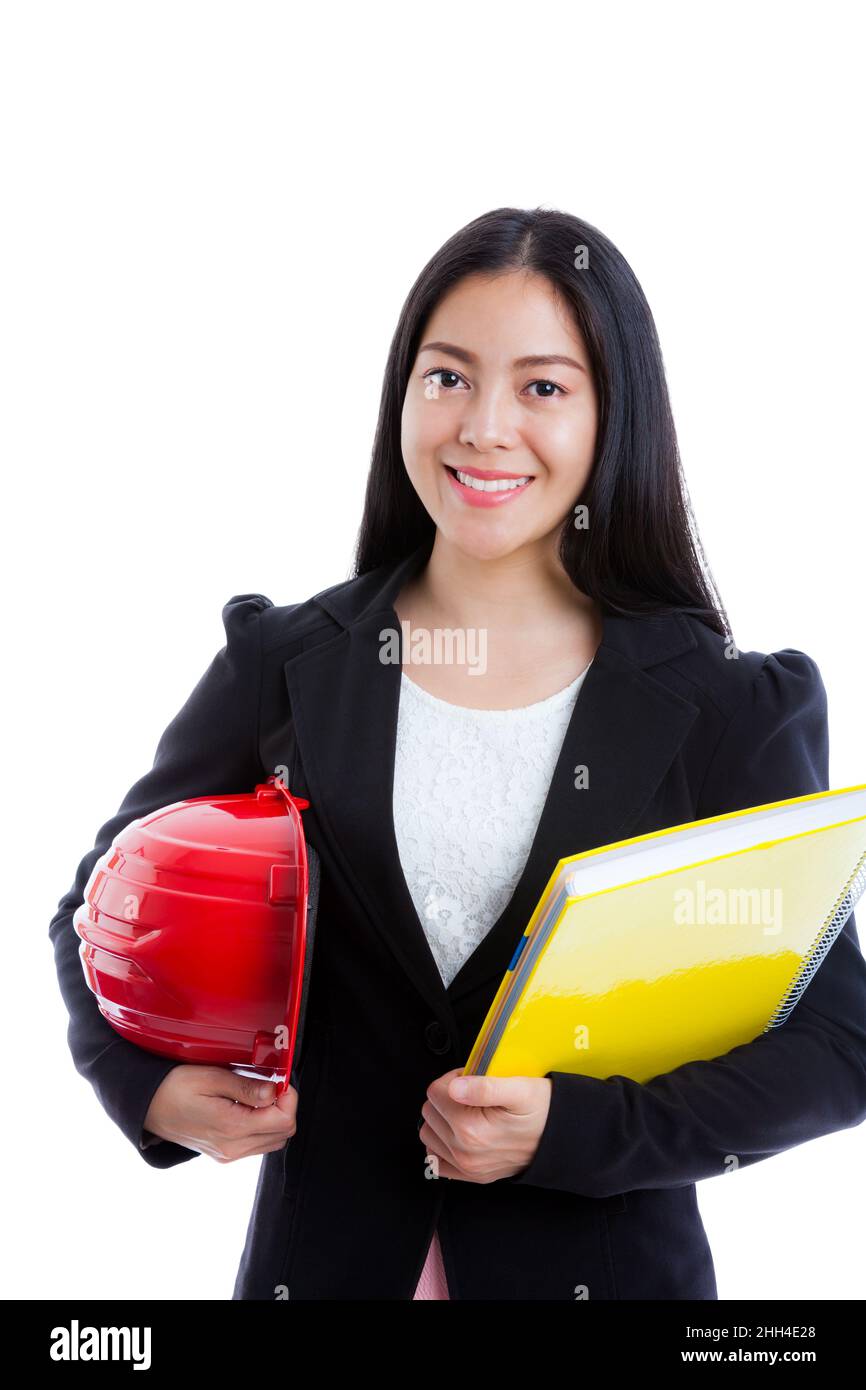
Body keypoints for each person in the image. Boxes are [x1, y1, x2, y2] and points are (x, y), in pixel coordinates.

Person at [49, 206, 866, 1300]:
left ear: (610, 414)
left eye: (540, 386)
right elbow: (102, 908)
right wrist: (146, 1084)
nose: (482, 426)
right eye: (447, 377)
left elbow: (832, 1043)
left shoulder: (724, 706)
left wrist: (576, 1128)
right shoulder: (283, 662)